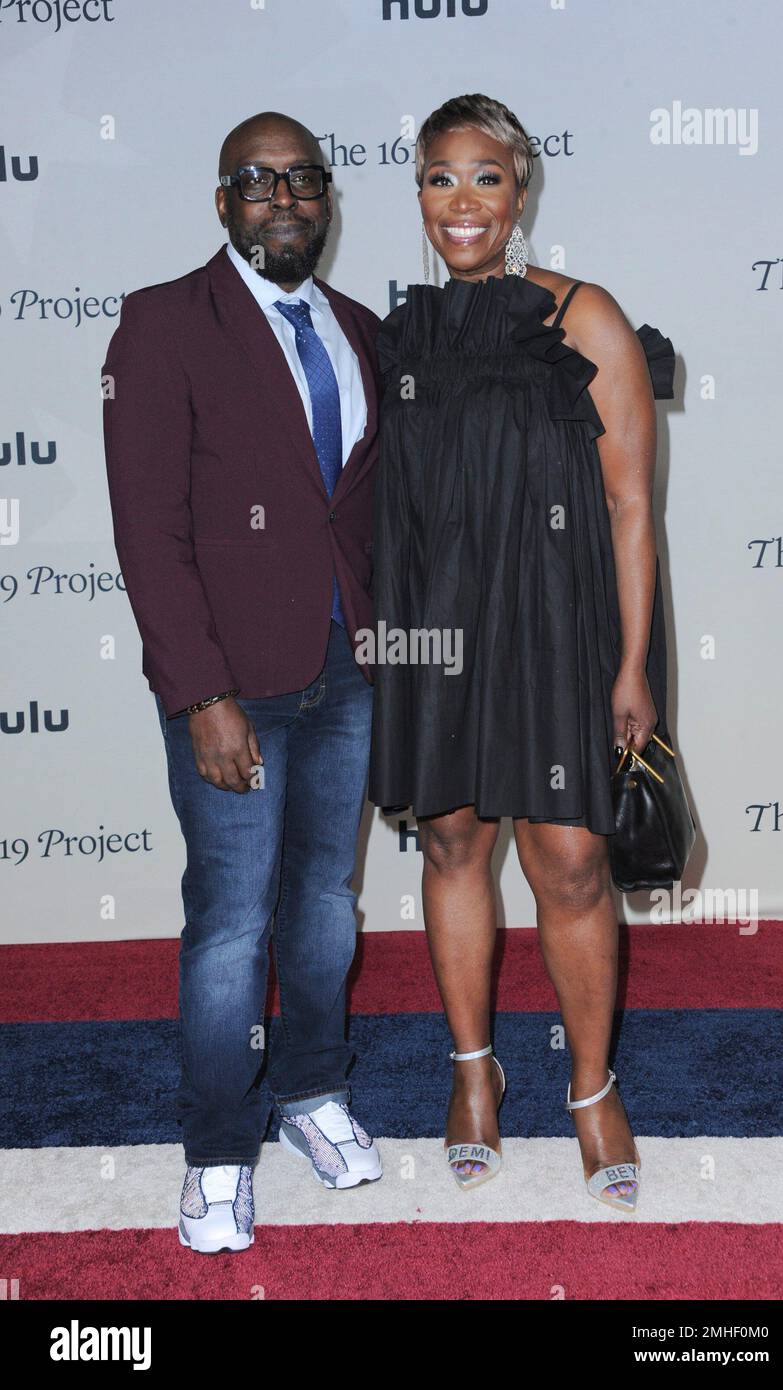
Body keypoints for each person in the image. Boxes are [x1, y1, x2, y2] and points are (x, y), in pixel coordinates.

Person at [368, 94, 675, 1210]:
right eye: (440, 178)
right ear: (417, 194)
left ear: (521, 190)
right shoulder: (398, 335)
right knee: (451, 848)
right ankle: (473, 1075)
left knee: (572, 863)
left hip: (557, 627)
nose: (463, 202)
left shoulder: (583, 317)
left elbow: (633, 506)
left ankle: (592, 1089)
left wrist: (632, 665)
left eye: (486, 177)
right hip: (439, 635)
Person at [102, 111, 383, 1255]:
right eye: (256, 181)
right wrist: (200, 692)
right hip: (231, 685)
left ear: (327, 199)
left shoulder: (363, 330)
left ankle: (313, 1093)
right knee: (228, 925)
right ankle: (218, 1153)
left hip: (349, 676)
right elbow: (146, 530)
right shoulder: (163, 324)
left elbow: (369, 520)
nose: (283, 198)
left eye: (303, 179)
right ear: (222, 202)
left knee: (323, 910)